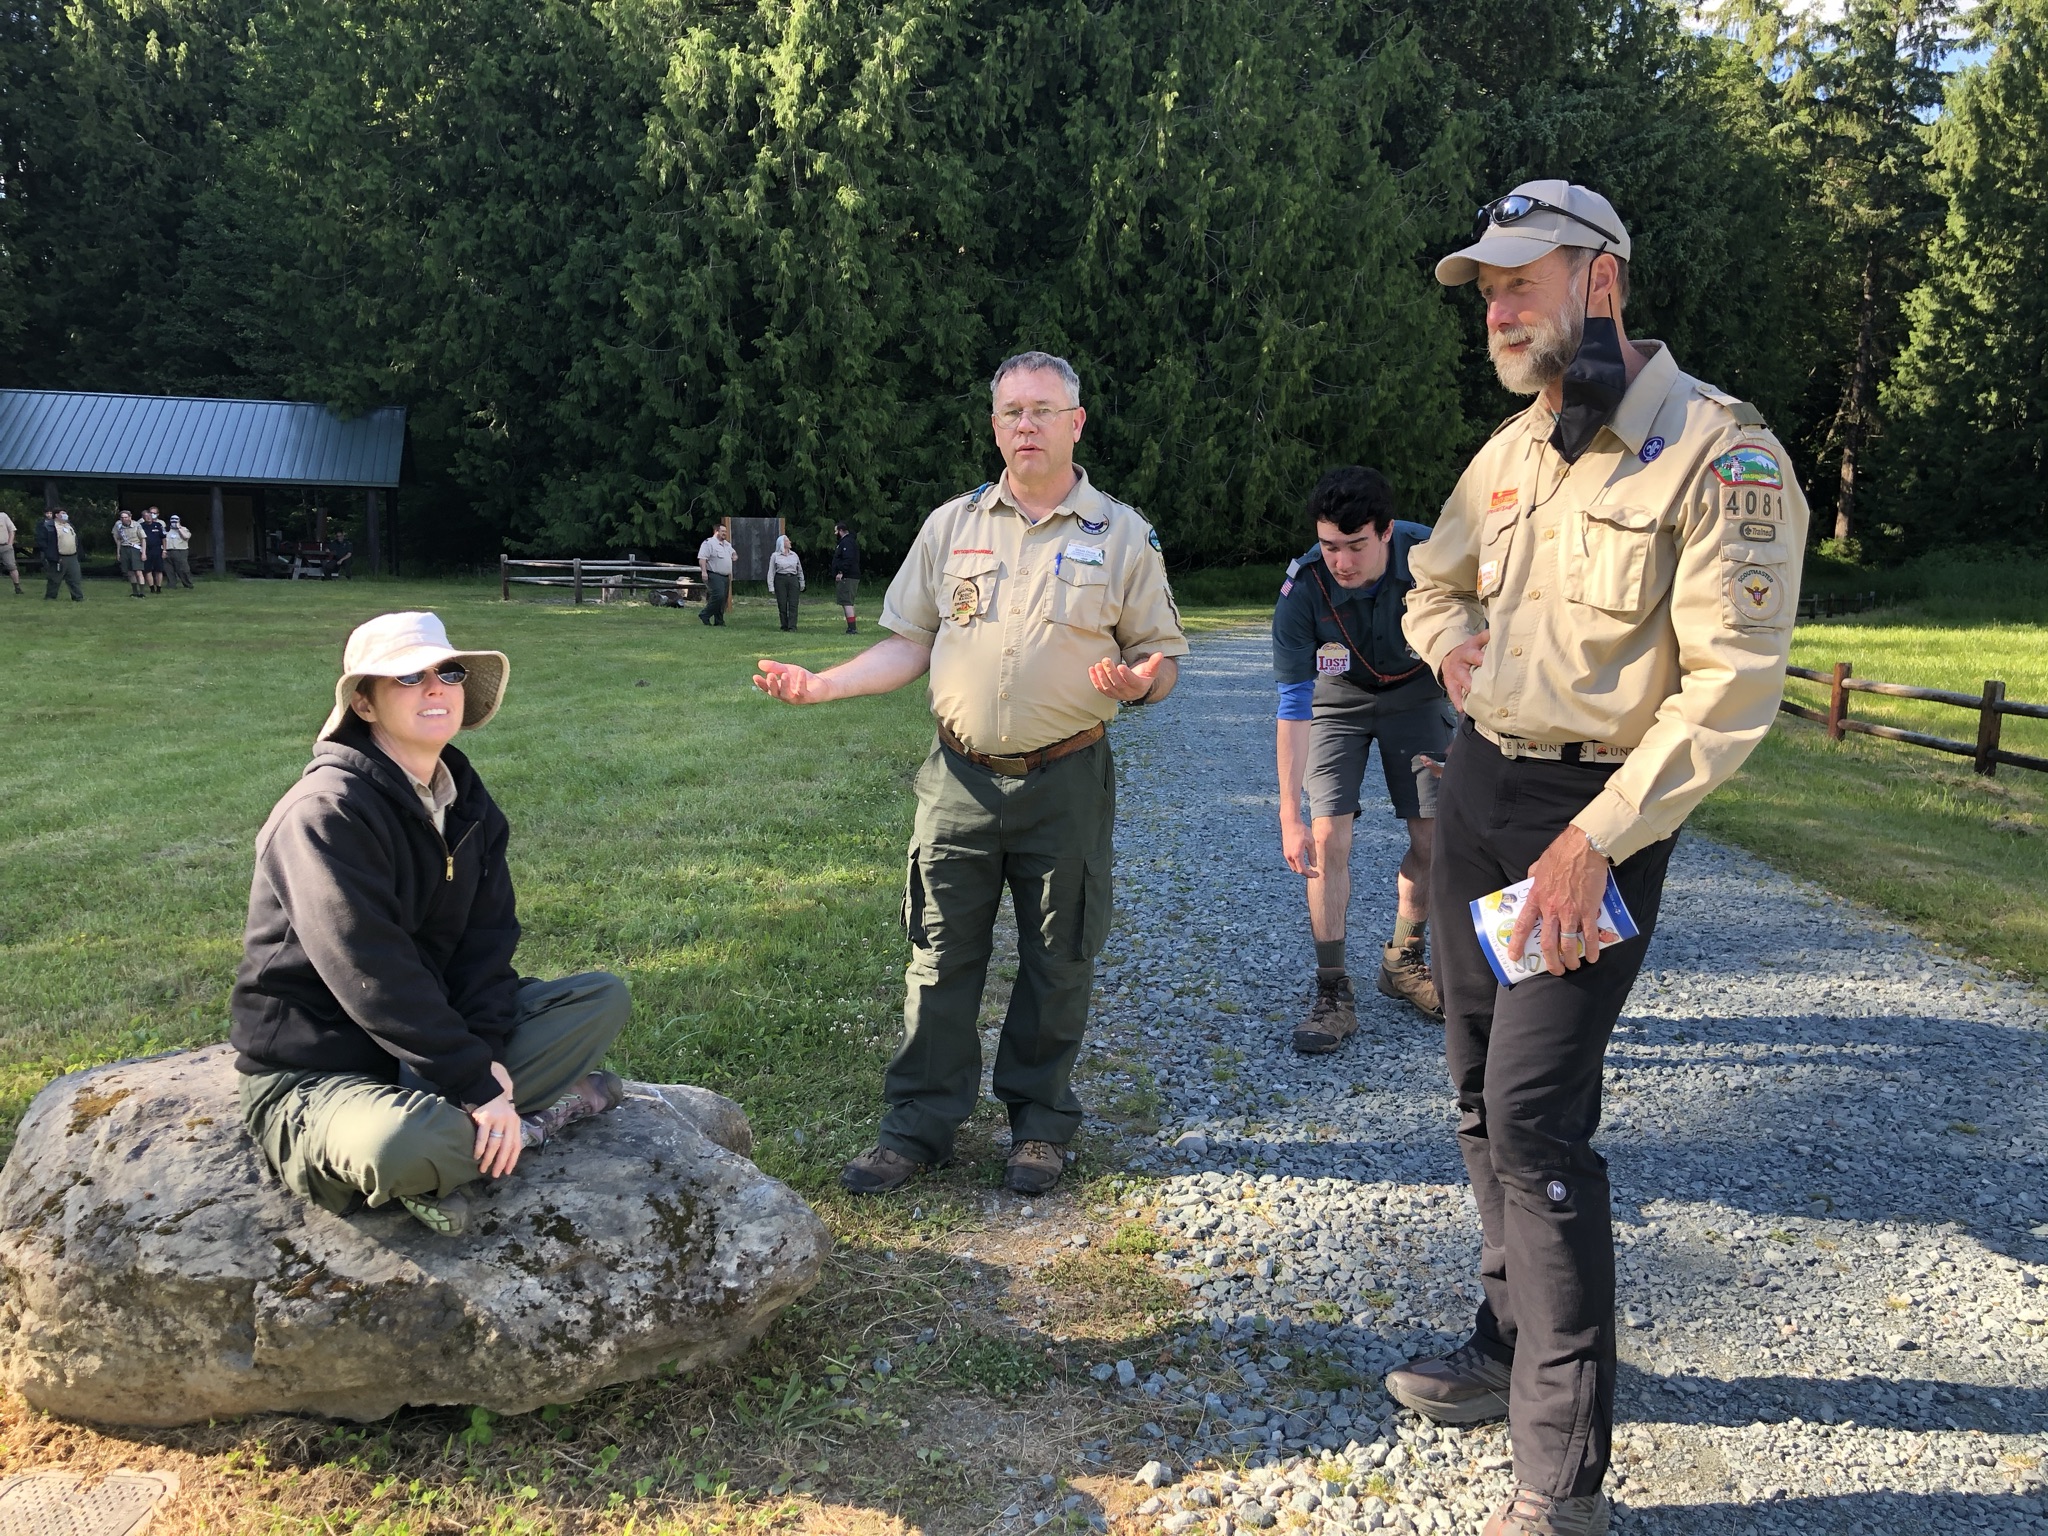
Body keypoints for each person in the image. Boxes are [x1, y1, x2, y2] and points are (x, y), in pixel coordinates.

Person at [1391, 181, 1808, 1536]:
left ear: (1605, 285)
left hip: (1600, 825)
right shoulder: (1511, 450)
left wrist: (1594, 845)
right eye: (1487, 290)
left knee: (1536, 1122)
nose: (1499, 309)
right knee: (1472, 1089)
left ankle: (1560, 1476)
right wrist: (1448, 651)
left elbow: (1731, 692)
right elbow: (1431, 582)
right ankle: (1504, 1348)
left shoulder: (1717, 454)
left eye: (1524, 281)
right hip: (1480, 796)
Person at [754, 350, 1188, 1198]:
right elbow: (909, 641)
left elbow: (1160, 655)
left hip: (1065, 778)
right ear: (995, 425)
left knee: (1058, 957)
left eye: (1041, 410)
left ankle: (1038, 1126)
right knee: (937, 955)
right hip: (956, 780)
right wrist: (824, 684)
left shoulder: (1122, 534)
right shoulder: (951, 526)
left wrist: (1140, 684)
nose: (1024, 425)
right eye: (1009, 412)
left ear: (1075, 423)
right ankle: (917, 1127)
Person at [231, 610, 634, 1236]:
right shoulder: (324, 813)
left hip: (434, 1054)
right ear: (364, 704)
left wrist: (484, 1057)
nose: (436, 687)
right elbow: (370, 972)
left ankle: (481, 1129)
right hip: (322, 1071)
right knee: (400, 1145)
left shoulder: (466, 802)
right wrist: (478, 1084)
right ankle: (514, 1126)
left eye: (446, 671)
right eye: (407, 677)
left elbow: (487, 945)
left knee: (600, 997)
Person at [1273, 467, 1454, 1053]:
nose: (1342, 562)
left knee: (1434, 839)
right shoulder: (1304, 588)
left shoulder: (1431, 558)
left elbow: (1481, 650)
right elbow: (1293, 707)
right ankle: (1333, 993)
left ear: (1387, 532)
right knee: (1327, 843)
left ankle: (1404, 961)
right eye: (1330, 546)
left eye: (1356, 546)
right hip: (1336, 703)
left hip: (1419, 694)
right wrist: (1288, 814)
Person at [40, 509, 83, 601]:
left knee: (75, 578)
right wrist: (51, 555)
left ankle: (78, 597)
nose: (65, 515)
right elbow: (43, 542)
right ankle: (50, 597)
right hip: (58, 557)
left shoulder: (69, 525)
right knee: (55, 579)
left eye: (66, 513)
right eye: (63, 513)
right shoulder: (50, 526)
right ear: (56, 515)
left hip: (72, 556)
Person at [697, 524, 735, 626]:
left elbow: (733, 554)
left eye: (726, 532)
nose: (725, 534)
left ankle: (719, 621)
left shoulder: (727, 544)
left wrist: (734, 555)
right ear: (716, 531)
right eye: (723, 531)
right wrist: (704, 572)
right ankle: (705, 614)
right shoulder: (709, 543)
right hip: (714, 574)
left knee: (723, 599)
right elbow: (702, 559)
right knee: (718, 595)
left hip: (725, 576)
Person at [768, 534, 805, 631]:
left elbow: (799, 570)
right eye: (788, 541)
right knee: (782, 603)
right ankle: (784, 625)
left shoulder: (794, 555)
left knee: (793, 603)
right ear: (782, 543)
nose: (790, 542)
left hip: (793, 579)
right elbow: (771, 571)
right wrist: (771, 586)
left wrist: (802, 582)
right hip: (780, 579)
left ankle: (792, 626)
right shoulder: (775, 556)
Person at [830, 521, 861, 633]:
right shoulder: (847, 542)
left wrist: (841, 572)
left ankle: (852, 628)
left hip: (848, 577)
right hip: (849, 575)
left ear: (841, 531)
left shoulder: (846, 543)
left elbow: (848, 559)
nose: (835, 534)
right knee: (846, 601)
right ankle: (851, 626)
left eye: (836, 531)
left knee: (847, 601)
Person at [113, 510, 146, 598]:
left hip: (135, 548)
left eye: (126, 517)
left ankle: (142, 592)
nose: (124, 519)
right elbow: (118, 539)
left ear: (130, 517)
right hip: (124, 548)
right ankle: (134, 592)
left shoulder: (136, 525)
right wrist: (118, 552)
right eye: (122, 517)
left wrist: (143, 552)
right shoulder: (119, 526)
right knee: (130, 572)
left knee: (138, 571)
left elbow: (143, 539)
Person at [140, 506, 167, 593]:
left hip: (157, 550)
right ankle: (151, 588)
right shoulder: (141, 526)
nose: (148, 517)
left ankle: (158, 588)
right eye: (146, 516)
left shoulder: (158, 525)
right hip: (146, 550)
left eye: (150, 515)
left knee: (159, 570)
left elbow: (163, 538)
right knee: (148, 570)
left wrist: (164, 550)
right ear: (143, 517)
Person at [163, 514, 195, 588]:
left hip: (180, 551)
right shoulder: (166, 530)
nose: (174, 522)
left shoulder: (184, 529)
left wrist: (179, 528)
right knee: (169, 569)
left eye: (175, 521)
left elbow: (186, 537)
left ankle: (187, 584)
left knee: (183, 569)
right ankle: (171, 585)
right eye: (172, 521)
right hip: (168, 551)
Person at [0, 505, 21, 595]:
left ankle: (17, 587)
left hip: (5, 546)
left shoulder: (3, 516)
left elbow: (12, 530)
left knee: (12, 567)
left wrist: (10, 543)